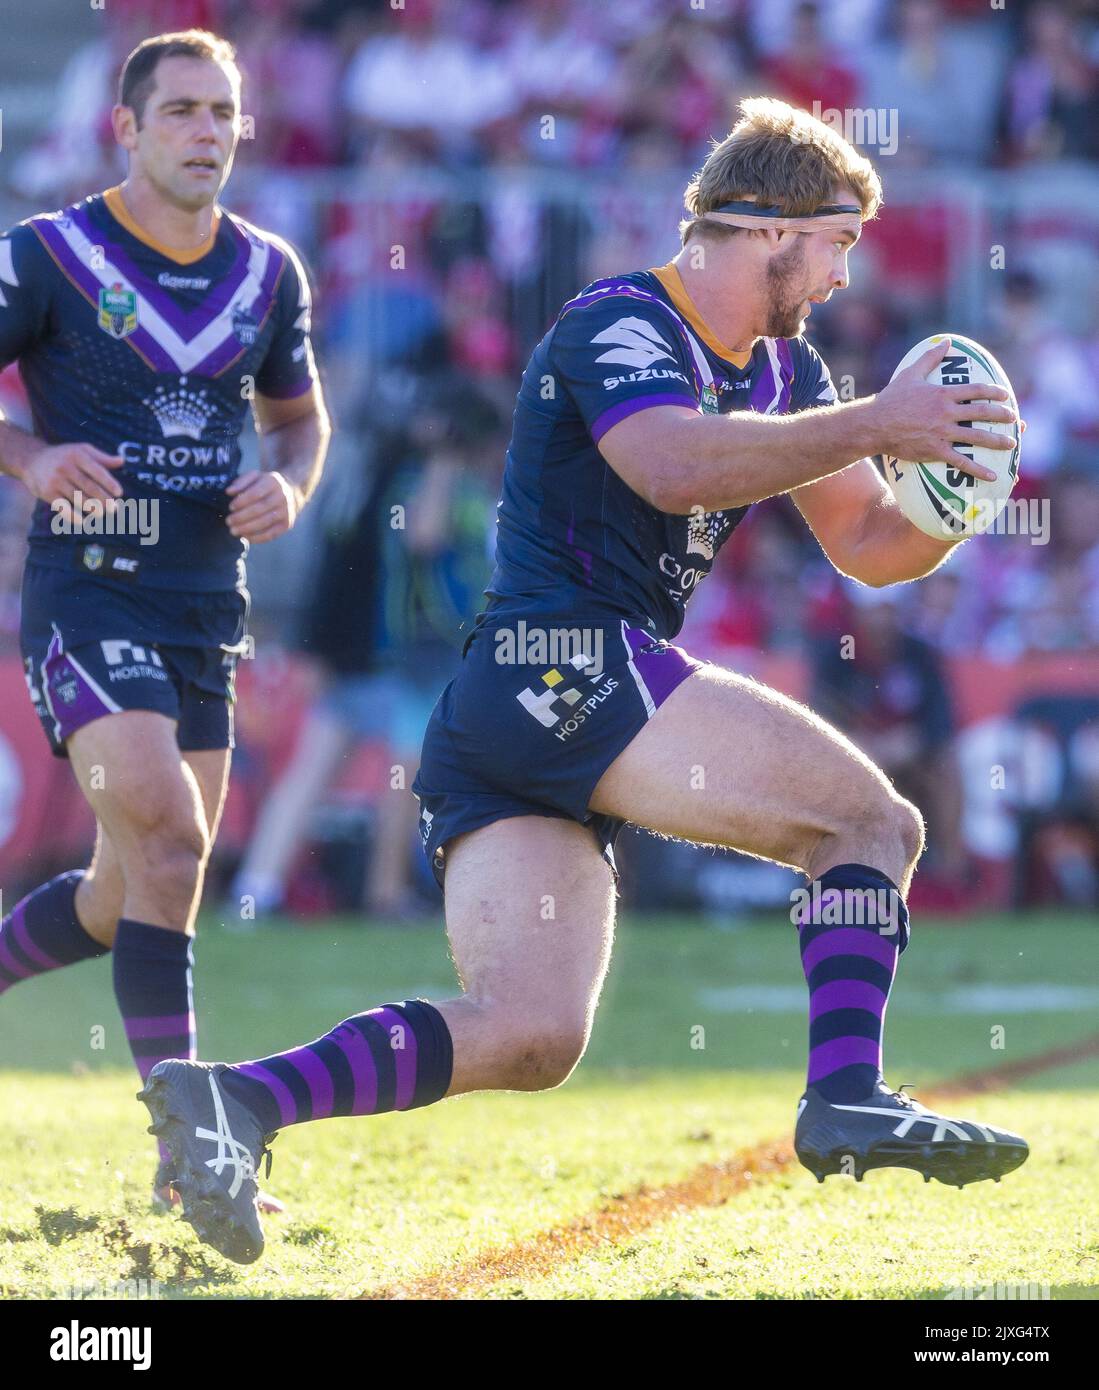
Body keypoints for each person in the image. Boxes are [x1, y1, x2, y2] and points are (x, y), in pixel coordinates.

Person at [136, 98, 1026, 1265]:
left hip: (519, 712)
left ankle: (237, 1099)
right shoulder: (620, 321)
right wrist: (878, 419)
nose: (845, 271)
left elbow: (866, 543)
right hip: (568, 660)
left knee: (531, 1032)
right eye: (838, 239)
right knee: (867, 820)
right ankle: (846, 1095)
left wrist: (956, 495)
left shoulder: (783, 368)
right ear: (768, 229)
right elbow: (663, 464)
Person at [0, 29, 331, 1214]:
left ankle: (181, 1138)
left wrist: (288, 483)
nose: (207, 133)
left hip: (206, 600)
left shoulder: (270, 272)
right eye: (181, 111)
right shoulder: (46, 255)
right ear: (125, 128)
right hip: (89, 590)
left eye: (223, 113)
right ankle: (194, 1147)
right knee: (176, 839)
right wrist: (30, 455)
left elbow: (300, 421)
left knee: (128, 883)